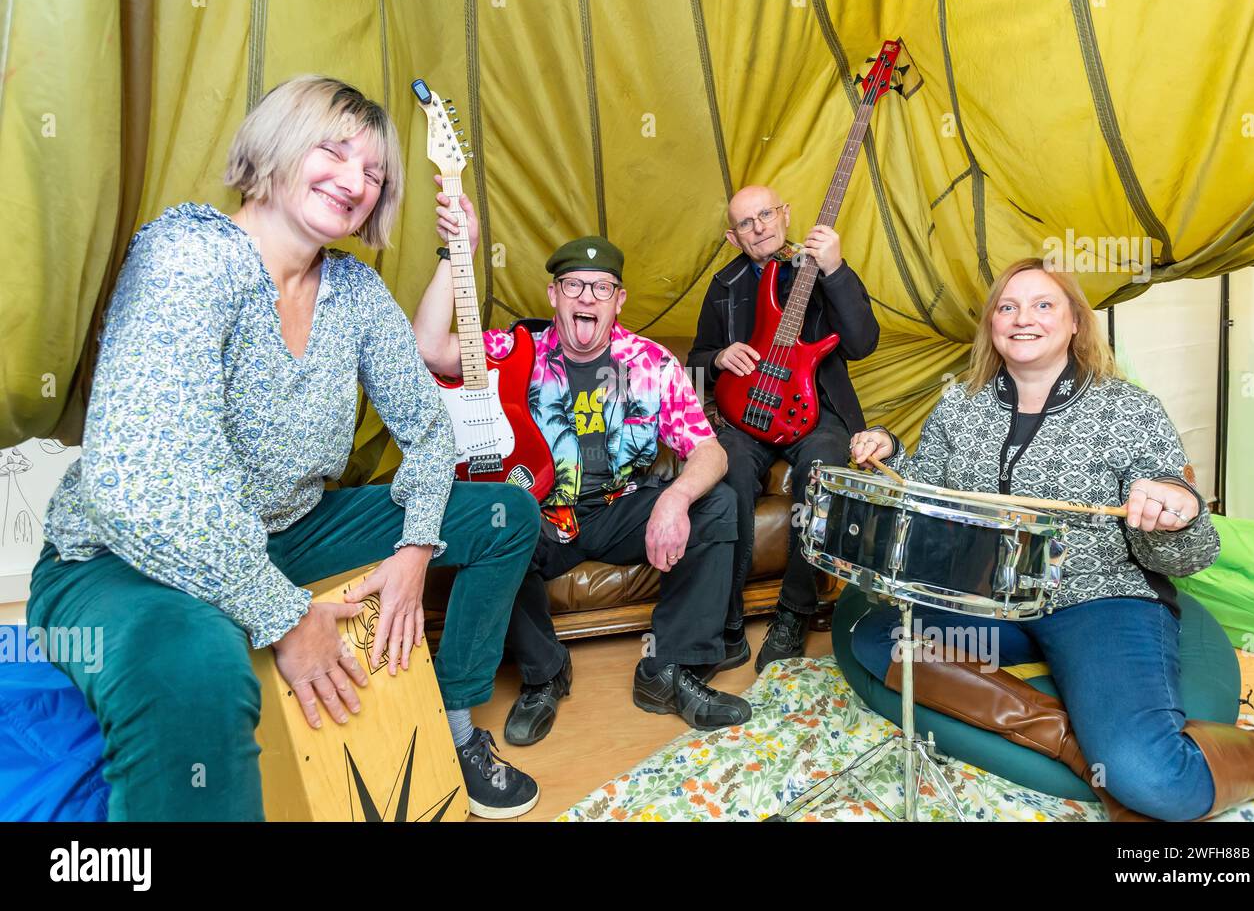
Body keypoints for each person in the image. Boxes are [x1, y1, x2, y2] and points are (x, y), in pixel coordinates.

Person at [28, 76, 543, 821]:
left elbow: (430, 430)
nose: (356, 181)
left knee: (505, 516)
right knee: (194, 672)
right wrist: (283, 616)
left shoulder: (356, 294)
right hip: (126, 556)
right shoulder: (189, 257)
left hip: (284, 530)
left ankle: (459, 728)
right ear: (276, 145)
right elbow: (139, 487)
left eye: (375, 173)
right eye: (334, 151)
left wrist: (417, 546)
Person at [848, 256, 1254, 821]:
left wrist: (1179, 515)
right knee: (879, 637)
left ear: (1074, 324)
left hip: (1097, 601)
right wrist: (889, 453)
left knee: (1160, 784)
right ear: (992, 324)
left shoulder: (1128, 409)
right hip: (989, 600)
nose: (1023, 318)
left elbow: (1193, 555)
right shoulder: (959, 405)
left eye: (1043, 305)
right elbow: (929, 497)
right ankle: (1076, 747)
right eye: (1008, 307)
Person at [415, 187, 751, 746]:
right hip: (542, 514)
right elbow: (429, 348)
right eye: (574, 285)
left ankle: (669, 672)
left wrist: (673, 498)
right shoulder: (515, 350)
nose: (586, 296)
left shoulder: (652, 364)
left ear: (618, 300)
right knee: (493, 520)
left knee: (717, 501)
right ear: (555, 295)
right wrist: (458, 254)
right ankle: (546, 675)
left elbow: (709, 450)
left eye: (601, 287)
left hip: (622, 508)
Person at [687, 185, 879, 673]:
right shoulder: (725, 284)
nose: (760, 227)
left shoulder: (824, 267)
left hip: (817, 410)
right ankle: (724, 615)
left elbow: (861, 343)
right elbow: (693, 363)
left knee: (822, 471)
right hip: (746, 412)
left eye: (767, 214)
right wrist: (717, 358)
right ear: (734, 237)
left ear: (785, 214)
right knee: (723, 475)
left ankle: (794, 611)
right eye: (746, 224)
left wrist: (835, 270)